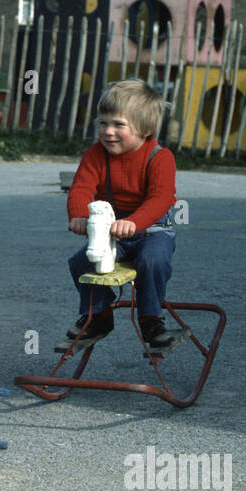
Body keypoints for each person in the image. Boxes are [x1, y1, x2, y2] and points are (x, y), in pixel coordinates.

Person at [60, 79, 181, 353]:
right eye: (102, 123)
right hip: (112, 231)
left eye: (118, 125)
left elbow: (160, 199)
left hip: (153, 230)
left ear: (145, 130)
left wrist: (134, 222)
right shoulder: (95, 155)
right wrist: (79, 216)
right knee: (81, 262)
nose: (108, 132)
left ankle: (151, 320)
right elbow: (81, 188)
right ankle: (98, 316)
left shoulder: (160, 158)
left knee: (152, 261)